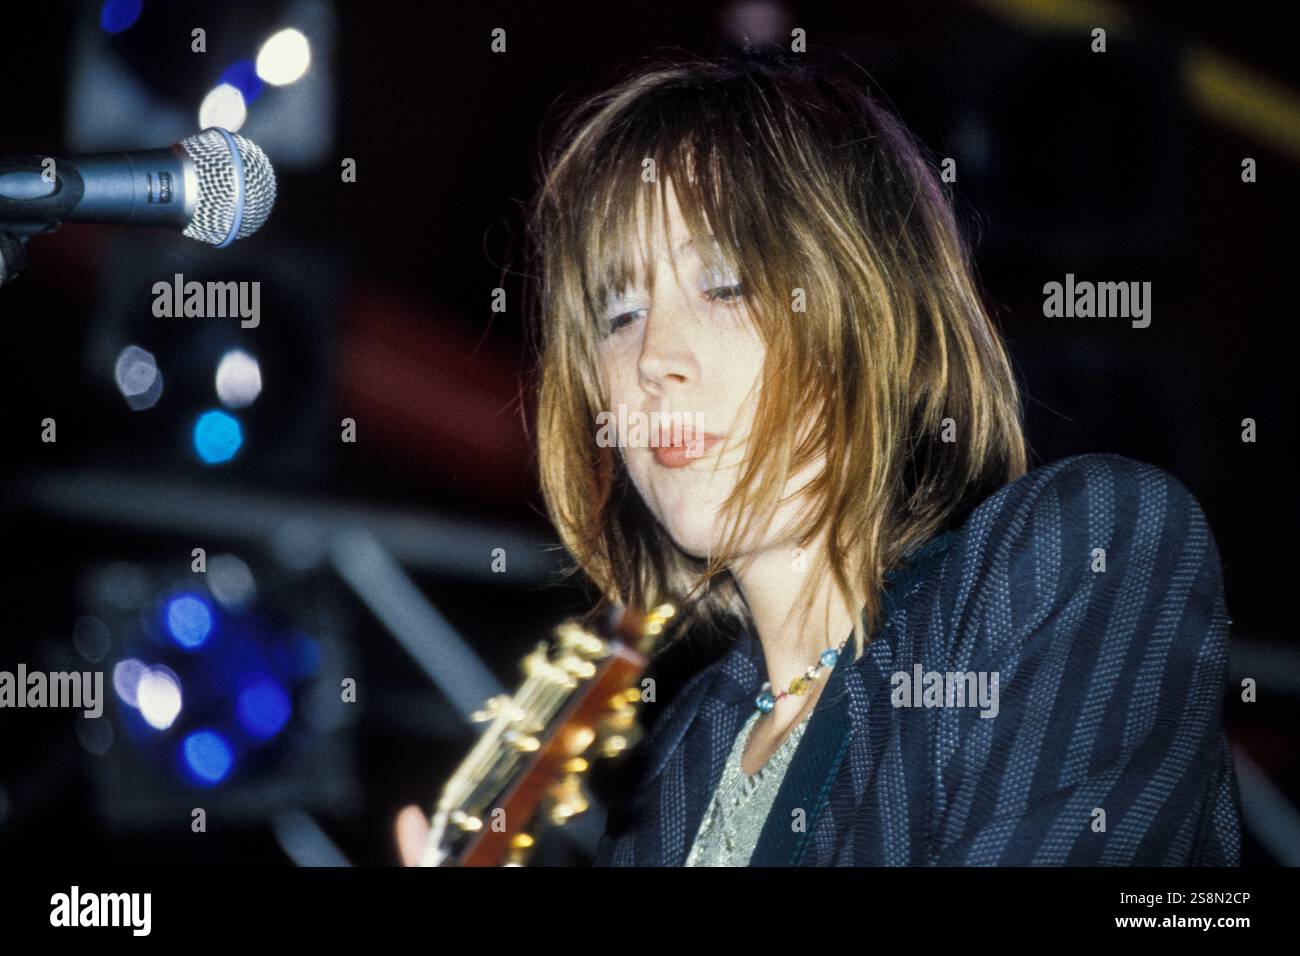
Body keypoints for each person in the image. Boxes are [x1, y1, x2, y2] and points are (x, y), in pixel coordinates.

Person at [396, 53, 1242, 866]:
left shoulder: (1090, 549)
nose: (652, 357)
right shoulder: (677, 764)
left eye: (724, 284)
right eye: (618, 314)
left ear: (869, 307)